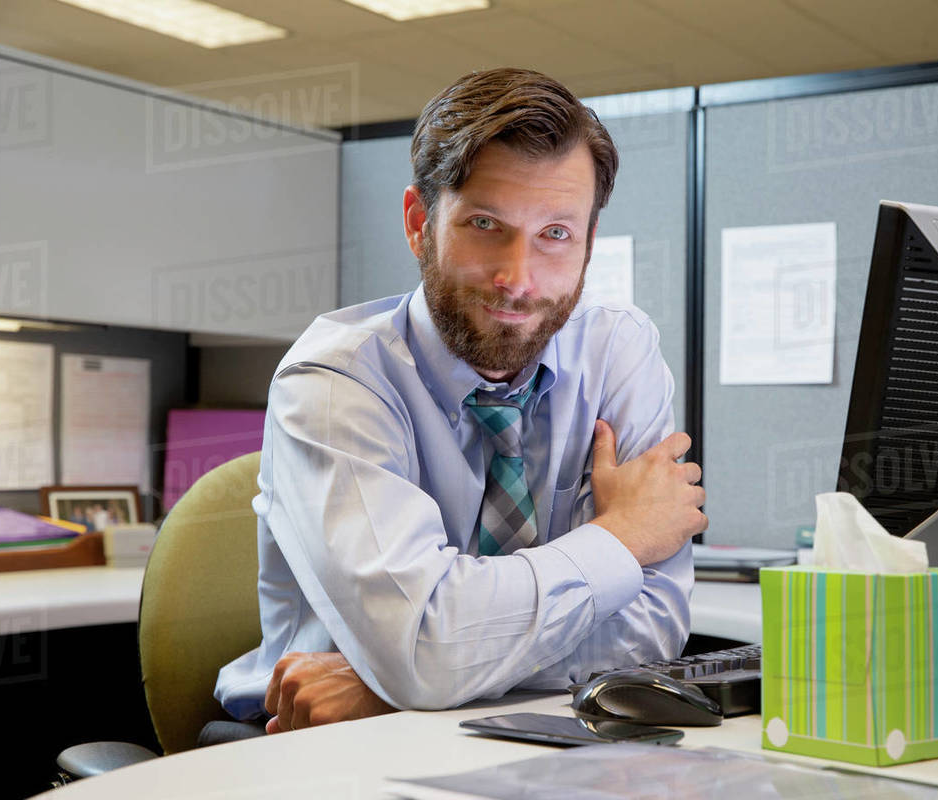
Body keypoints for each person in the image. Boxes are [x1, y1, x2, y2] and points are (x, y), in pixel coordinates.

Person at [215, 67, 706, 734]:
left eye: (556, 234)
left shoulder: (618, 352)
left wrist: (410, 679)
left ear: (589, 242)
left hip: (465, 723)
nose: (518, 279)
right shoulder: (334, 382)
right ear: (420, 224)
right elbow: (423, 652)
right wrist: (620, 538)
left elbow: (652, 631)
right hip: (313, 740)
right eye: (484, 224)